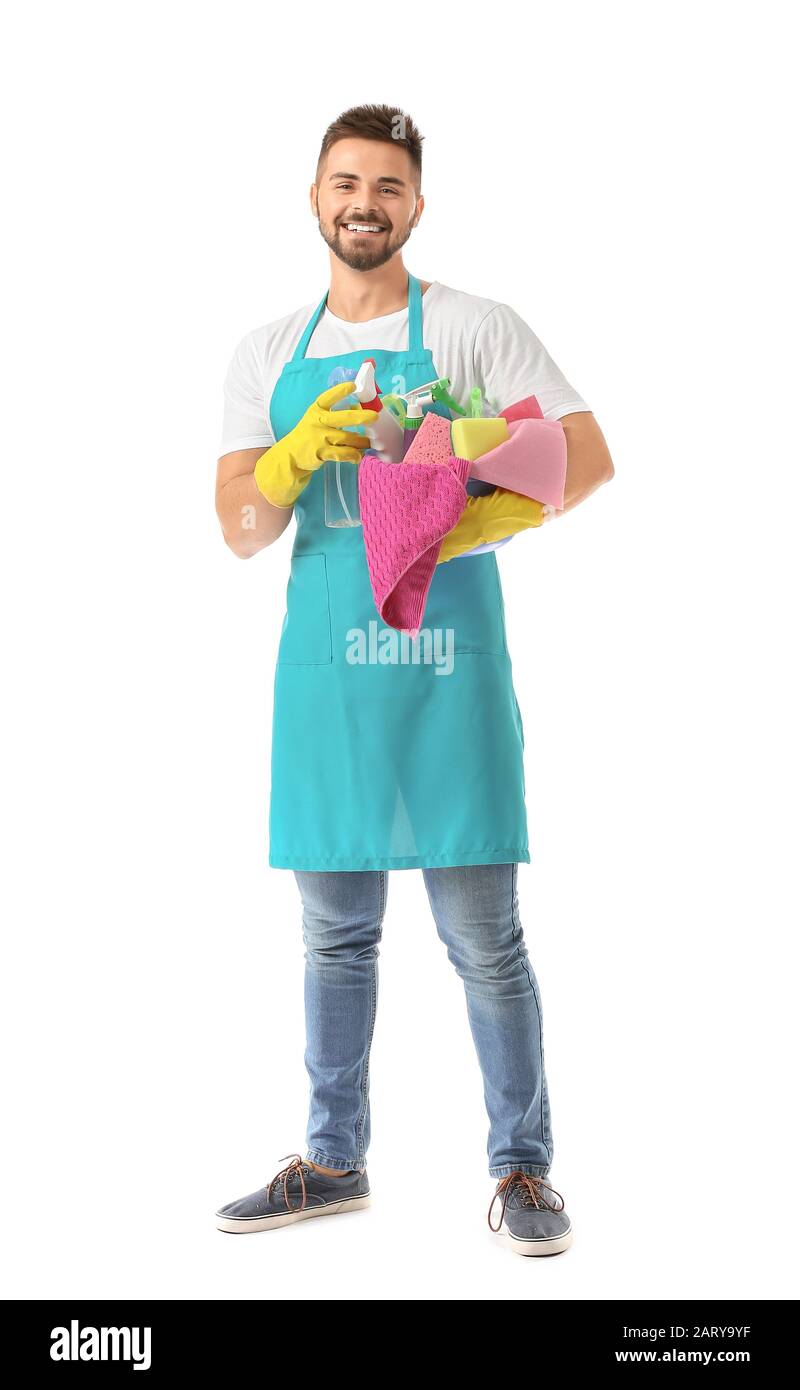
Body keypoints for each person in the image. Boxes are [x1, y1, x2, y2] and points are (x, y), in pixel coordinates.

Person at [213, 104, 614, 1257]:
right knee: (333, 939)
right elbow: (241, 527)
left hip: (447, 671)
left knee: (484, 938)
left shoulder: (479, 327)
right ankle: (332, 1160)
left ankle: (522, 1168)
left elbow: (583, 457)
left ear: (415, 207)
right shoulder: (264, 353)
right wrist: (290, 460)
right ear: (313, 197)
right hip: (328, 681)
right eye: (344, 182)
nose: (363, 203)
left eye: (386, 186)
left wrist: (468, 502)